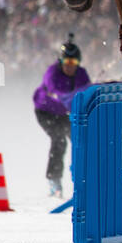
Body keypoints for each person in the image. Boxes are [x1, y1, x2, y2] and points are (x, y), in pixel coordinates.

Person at [32, 34, 92, 196]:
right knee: (59, 139)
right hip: (46, 112)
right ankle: (54, 180)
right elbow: (59, 95)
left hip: (66, 113)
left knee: (81, 141)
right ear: (61, 61)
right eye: (67, 62)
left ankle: (86, 178)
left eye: (74, 63)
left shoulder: (82, 74)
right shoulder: (52, 73)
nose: (70, 66)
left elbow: (87, 94)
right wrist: (75, 97)